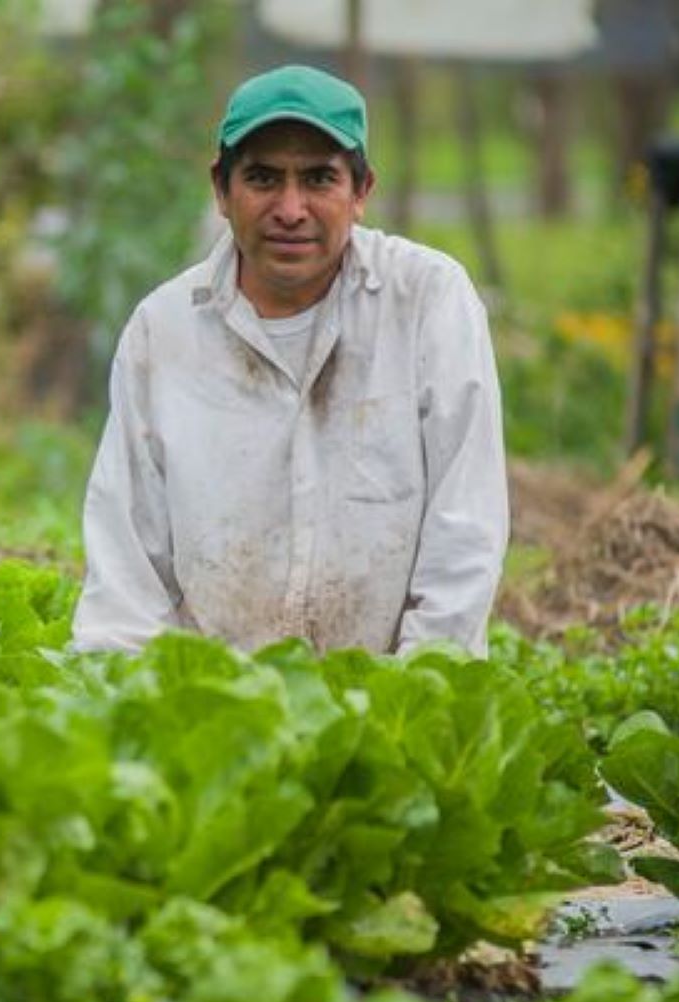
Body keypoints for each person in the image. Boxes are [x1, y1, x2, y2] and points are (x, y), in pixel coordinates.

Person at [71, 64, 508, 657]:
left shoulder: (426, 302)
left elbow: (465, 527)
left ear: (361, 192)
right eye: (263, 178)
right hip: (213, 702)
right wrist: (129, 686)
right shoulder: (164, 330)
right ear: (222, 190)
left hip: (389, 693)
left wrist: (417, 687)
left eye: (319, 179)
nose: (291, 208)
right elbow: (127, 560)